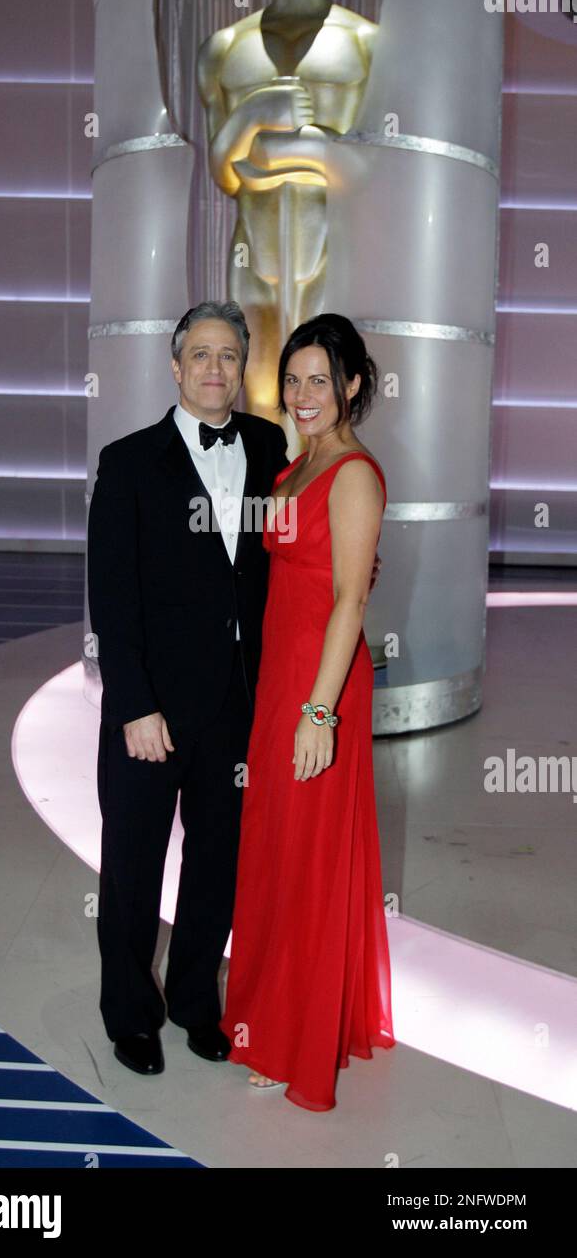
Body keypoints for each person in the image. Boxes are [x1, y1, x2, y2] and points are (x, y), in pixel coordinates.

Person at [86, 300, 288, 1075]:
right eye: (200, 355)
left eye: (229, 356)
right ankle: (130, 1012)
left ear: (243, 368)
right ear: (175, 368)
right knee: (133, 864)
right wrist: (133, 703)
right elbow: (113, 593)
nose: (214, 369)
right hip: (153, 709)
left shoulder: (268, 445)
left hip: (237, 703)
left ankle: (197, 1002)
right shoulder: (129, 460)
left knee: (217, 859)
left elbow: (276, 563)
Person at [220, 312, 396, 1111]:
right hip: (278, 681)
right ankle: (269, 1015)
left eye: (318, 380)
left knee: (307, 857)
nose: (301, 393)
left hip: (317, 687)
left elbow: (349, 600)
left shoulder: (353, 473)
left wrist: (316, 715)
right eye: (292, 379)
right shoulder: (297, 465)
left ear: (352, 386)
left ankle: (297, 1038)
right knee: (275, 849)